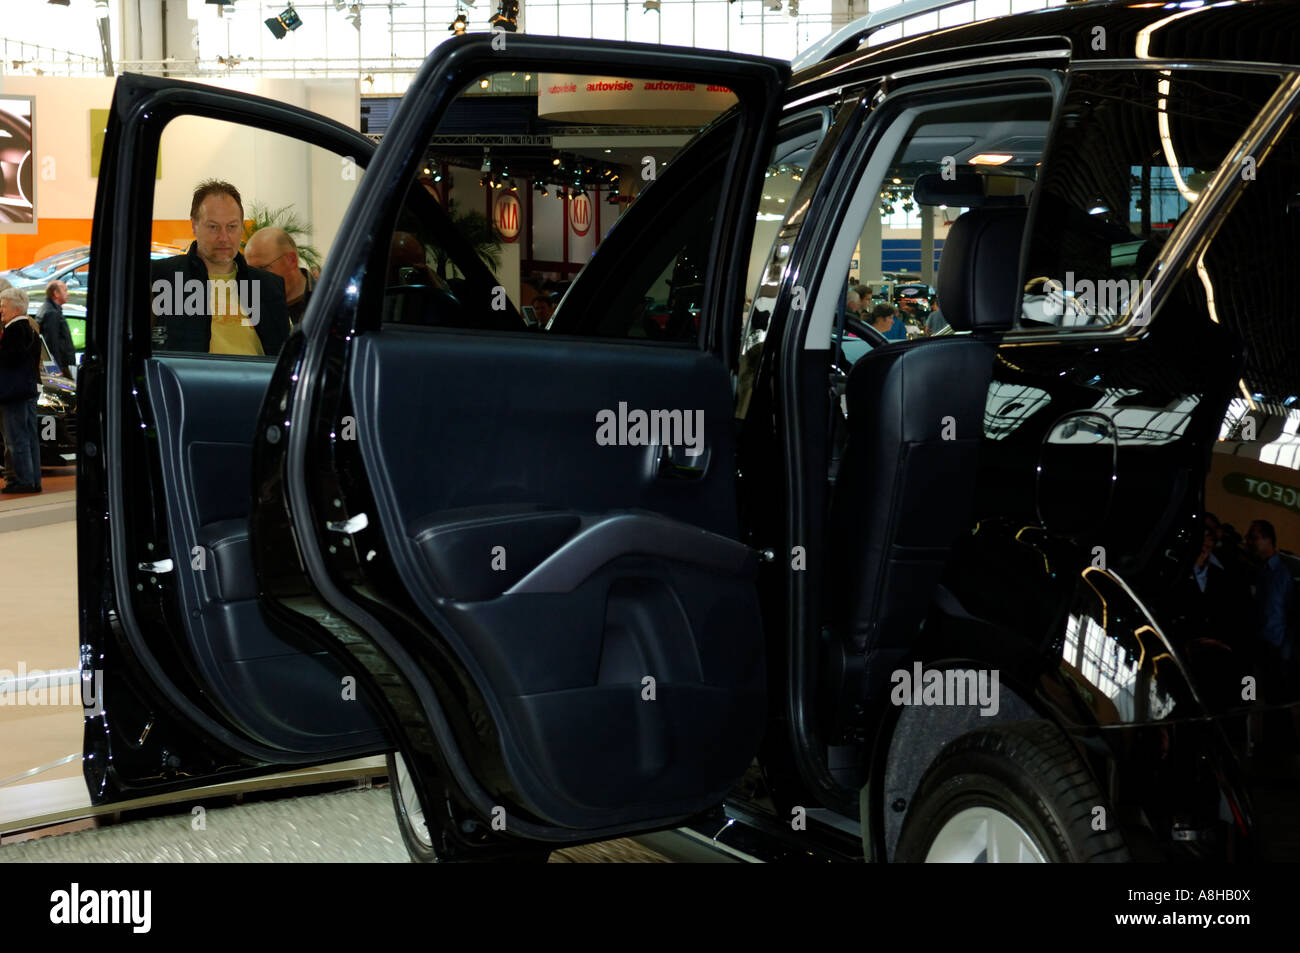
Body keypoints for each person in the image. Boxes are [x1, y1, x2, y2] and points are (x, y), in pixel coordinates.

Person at [150, 180, 290, 356]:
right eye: (213, 227)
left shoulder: (268, 287)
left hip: (257, 383)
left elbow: (285, 356)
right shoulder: (162, 278)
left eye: (232, 227)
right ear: (194, 225)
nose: (223, 237)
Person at [0, 286, 42, 494]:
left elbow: (10, 359)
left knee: (17, 438)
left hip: (13, 392)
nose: (1, 310)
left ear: (16, 309)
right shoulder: (31, 329)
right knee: (30, 437)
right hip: (29, 389)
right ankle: (34, 478)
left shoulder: (13, 331)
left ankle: (24, 480)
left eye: (4, 306)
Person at [1245, 519, 1296, 668]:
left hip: (1274, 647)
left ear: (1268, 540)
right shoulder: (1261, 569)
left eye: (1254, 538)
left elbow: (1293, 614)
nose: (1249, 542)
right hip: (1260, 642)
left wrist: (1285, 651)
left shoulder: (1284, 574)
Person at [243, 227, 313, 329]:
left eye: (263, 269)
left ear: (291, 260)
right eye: (251, 271)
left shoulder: (326, 302)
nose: (256, 279)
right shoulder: (250, 308)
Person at [36, 280, 75, 378]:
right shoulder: (51, 312)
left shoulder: (49, 309)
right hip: (60, 368)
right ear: (56, 293)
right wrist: (56, 370)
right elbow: (52, 344)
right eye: (65, 291)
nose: (68, 294)